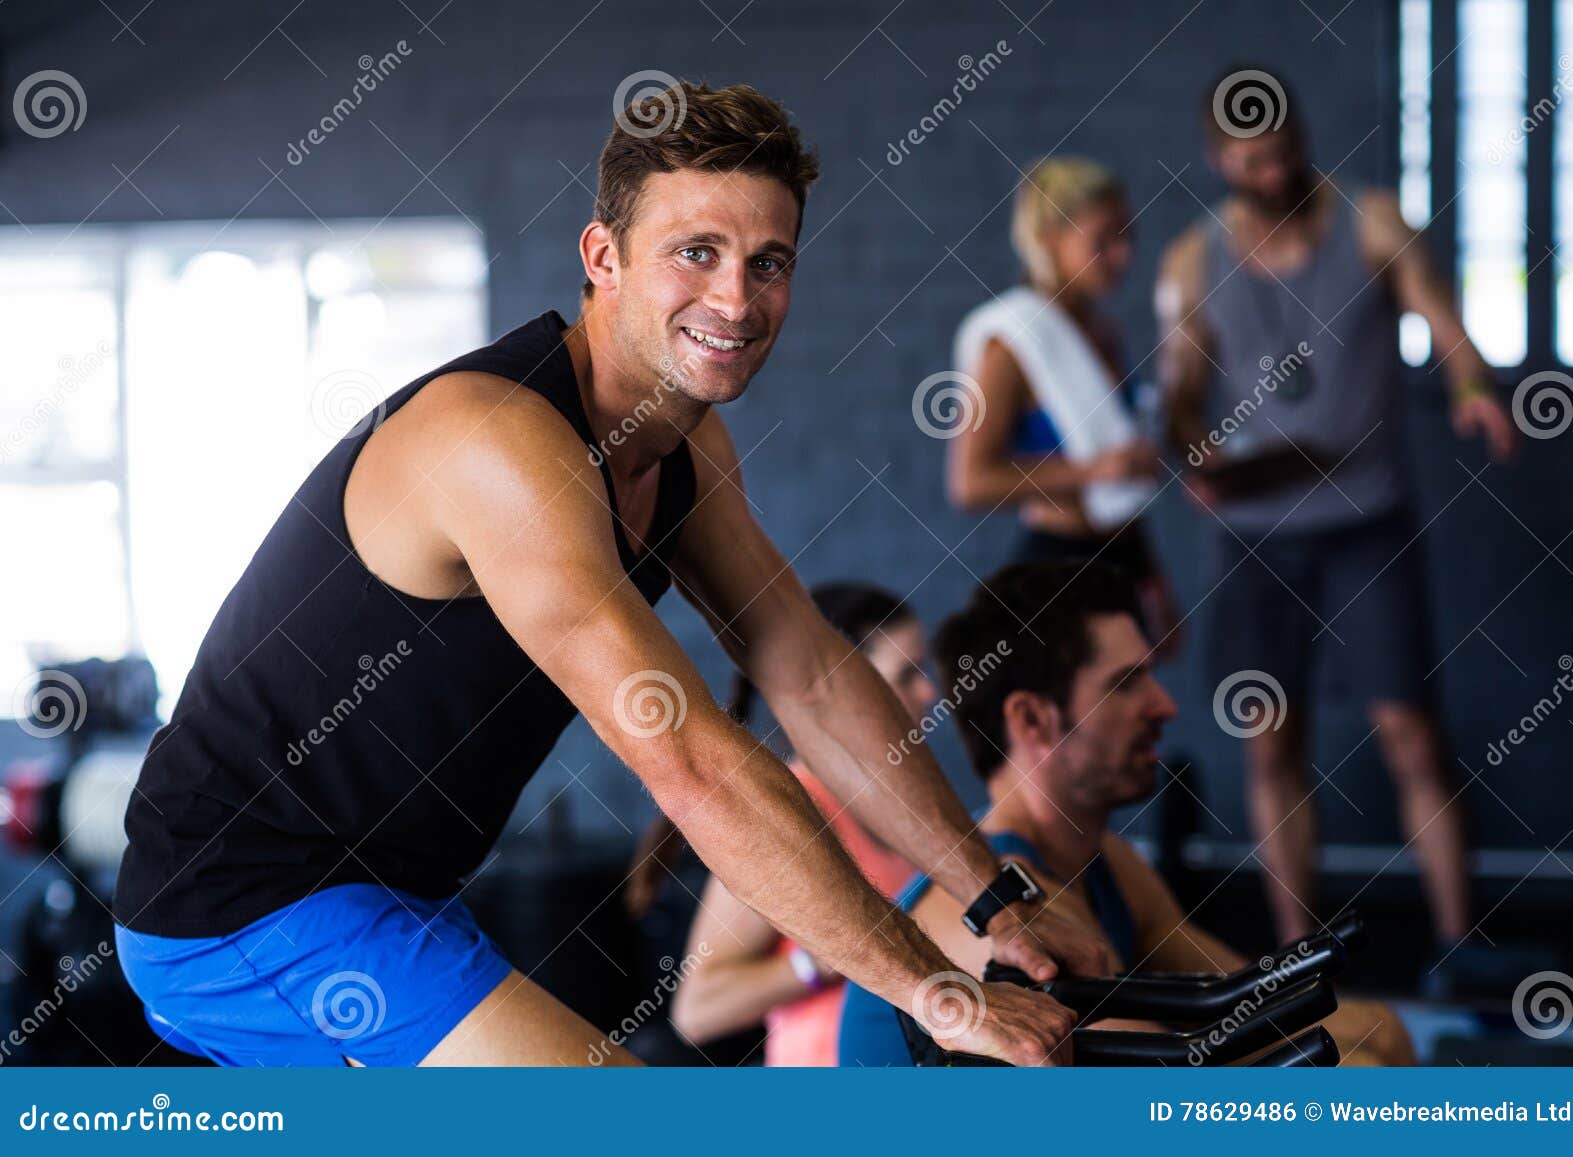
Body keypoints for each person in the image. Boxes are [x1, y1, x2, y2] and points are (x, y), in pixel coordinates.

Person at [110, 81, 1104, 1069]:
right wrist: (936, 991)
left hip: (391, 896)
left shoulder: (685, 448)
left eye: (769, 263)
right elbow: (687, 757)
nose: (735, 300)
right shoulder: (497, 441)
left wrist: (995, 895)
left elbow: (807, 671)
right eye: (694, 253)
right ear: (602, 257)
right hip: (240, 905)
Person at [1155, 68, 1516, 954]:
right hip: (1254, 539)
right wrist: (1196, 456)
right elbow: (1181, 397)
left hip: (1366, 523)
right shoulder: (1191, 263)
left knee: (1409, 731)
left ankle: (1456, 941)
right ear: (1217, 160)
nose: (1273, 177)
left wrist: (1470, 381)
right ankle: (1294, 954)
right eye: (1251, 164)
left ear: (1301, 140)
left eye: (1283, 157)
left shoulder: (1373, 221)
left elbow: (1441, 312)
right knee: (1271, 742)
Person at [836, 562, 1416, 1067]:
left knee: (1379, 1032)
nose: (1165, 705)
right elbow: (1160, 1099)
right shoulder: (1012, 910)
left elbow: (1256, 1003)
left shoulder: (1103, 862)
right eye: (1124, 684)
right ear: (1033, 720)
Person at [670, 583, 929, 1065]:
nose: (929, 692)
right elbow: (697, 1010)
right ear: (847, 686)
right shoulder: (790, 808)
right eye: (908, 675)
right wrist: (834, 957)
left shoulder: (901, 801)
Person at [946, 157, 1177, 650]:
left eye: (1128, 237)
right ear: (1051, 237)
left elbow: (1125, 478)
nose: (1123, 255)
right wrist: (1091, 472)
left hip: (1123, 555)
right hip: (1056, 564)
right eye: (1104, 240)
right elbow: (970, 482)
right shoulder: (1012, 340)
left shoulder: (1104, 333)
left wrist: (1154, 580)